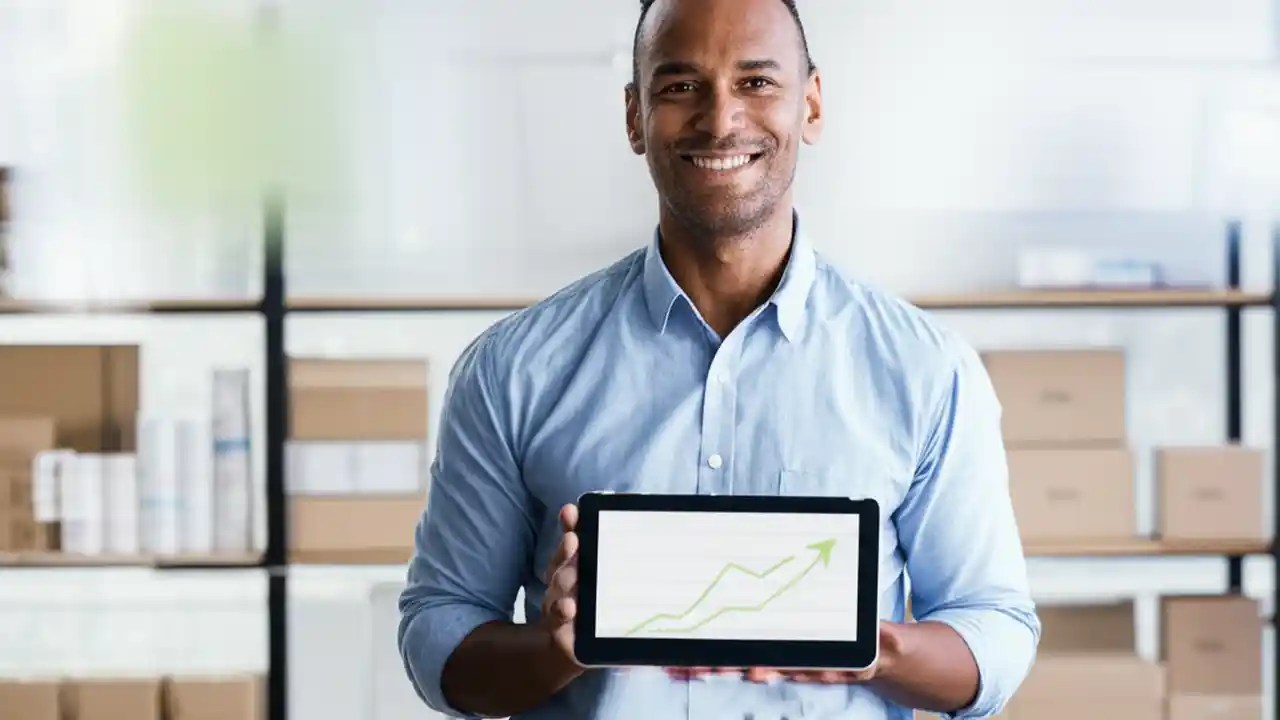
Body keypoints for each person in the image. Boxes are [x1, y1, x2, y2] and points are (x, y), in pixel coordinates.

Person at [398, 0, 1040, 716]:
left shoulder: (926, 370)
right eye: (681, 86)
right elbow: (438, 631)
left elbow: (996, 631)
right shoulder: (512, 370)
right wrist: (555, 650)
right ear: (635, 116)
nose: (721, 119)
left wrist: (872, 649)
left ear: (811, 105)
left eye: (756, 82)